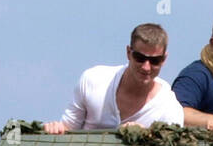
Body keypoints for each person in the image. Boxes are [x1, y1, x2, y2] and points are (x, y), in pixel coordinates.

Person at [44, 24, 183, 132]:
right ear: (129, 53)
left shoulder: (168, 107)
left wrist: (146, 136)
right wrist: (56, 128)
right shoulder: (93, 80)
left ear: (164, 59)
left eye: (155, 61)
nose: (146, 67)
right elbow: (69, 128)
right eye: (140, 58)